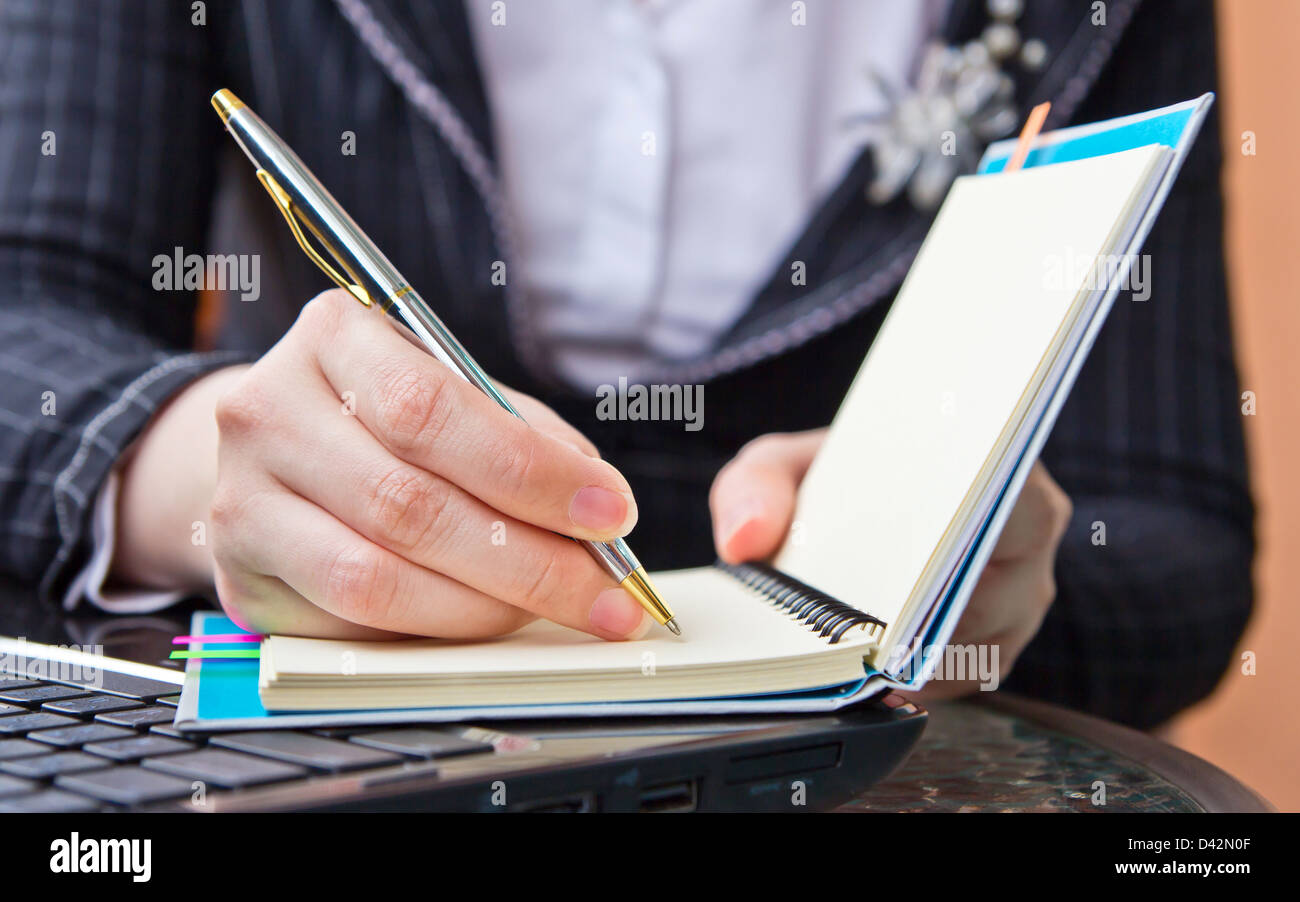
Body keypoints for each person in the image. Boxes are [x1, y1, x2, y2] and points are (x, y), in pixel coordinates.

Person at [0, 0, 1252, 728]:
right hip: (320, 736)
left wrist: (980, 567)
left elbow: (1174, 526)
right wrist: (209, 469)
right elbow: (22, 311)